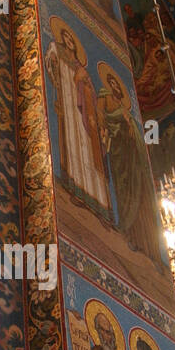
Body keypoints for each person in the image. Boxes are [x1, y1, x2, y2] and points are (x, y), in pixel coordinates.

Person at [45, 22, 109, 210]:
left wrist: (84, 83)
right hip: (71, 108)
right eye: (65, 39)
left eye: (70, 39)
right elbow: (51, 62)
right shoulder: (60, 54)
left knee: (88, 149)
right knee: (73, 143)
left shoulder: (81, 68)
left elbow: (92, 95)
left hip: (85, 113)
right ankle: (75, 187)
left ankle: (96, 199)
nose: (68, 41)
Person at [98, 71, 160, 260]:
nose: (116, 88)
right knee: (125, 189)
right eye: (113, 85)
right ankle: (127, 230)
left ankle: (144, 241)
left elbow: (143, 133)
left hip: (133, 156)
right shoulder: (104, 98)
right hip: (119, 153)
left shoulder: (127, 111)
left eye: (118, 86)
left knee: (140, 194)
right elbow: (102, 118)